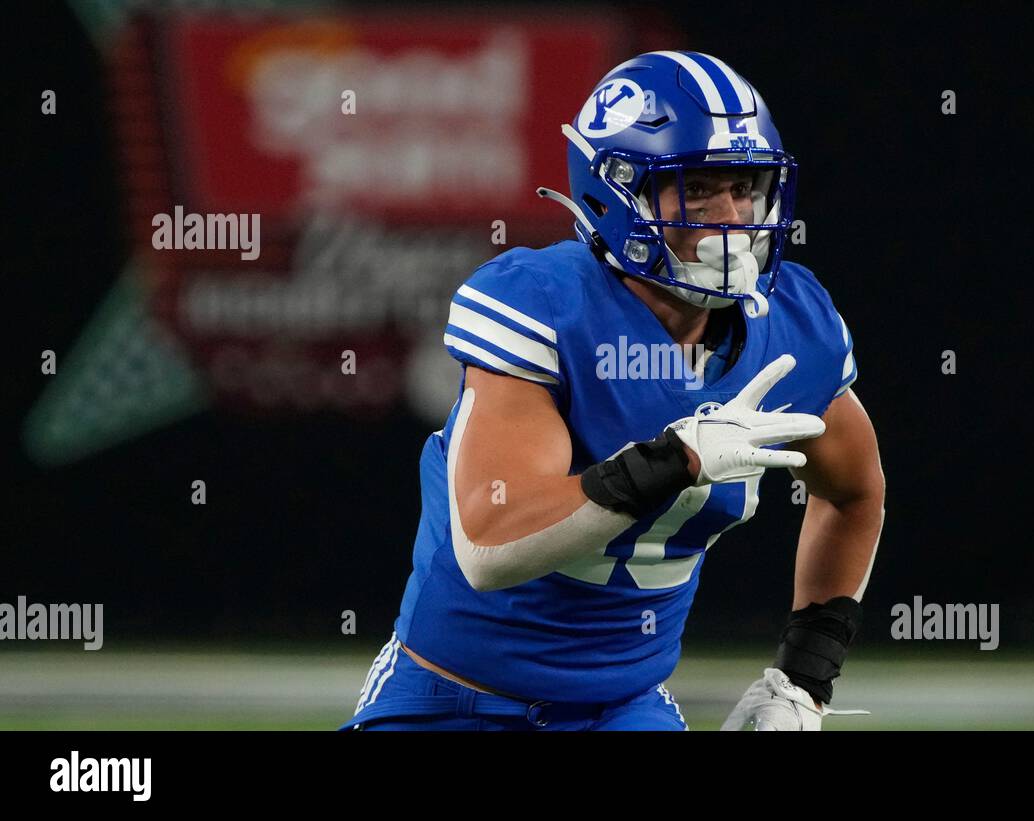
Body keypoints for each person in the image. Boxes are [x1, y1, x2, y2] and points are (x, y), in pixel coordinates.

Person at [343, 51, 886, 731]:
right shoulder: (547, 305)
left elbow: (856, 490)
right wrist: (674, 461)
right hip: (456, 699)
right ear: (618, 190)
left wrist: (803, 679)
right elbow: (490, 544)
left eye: (745, 186)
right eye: (698, 188)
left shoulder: (792, 330)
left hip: (625, 709)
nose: (733, 215)